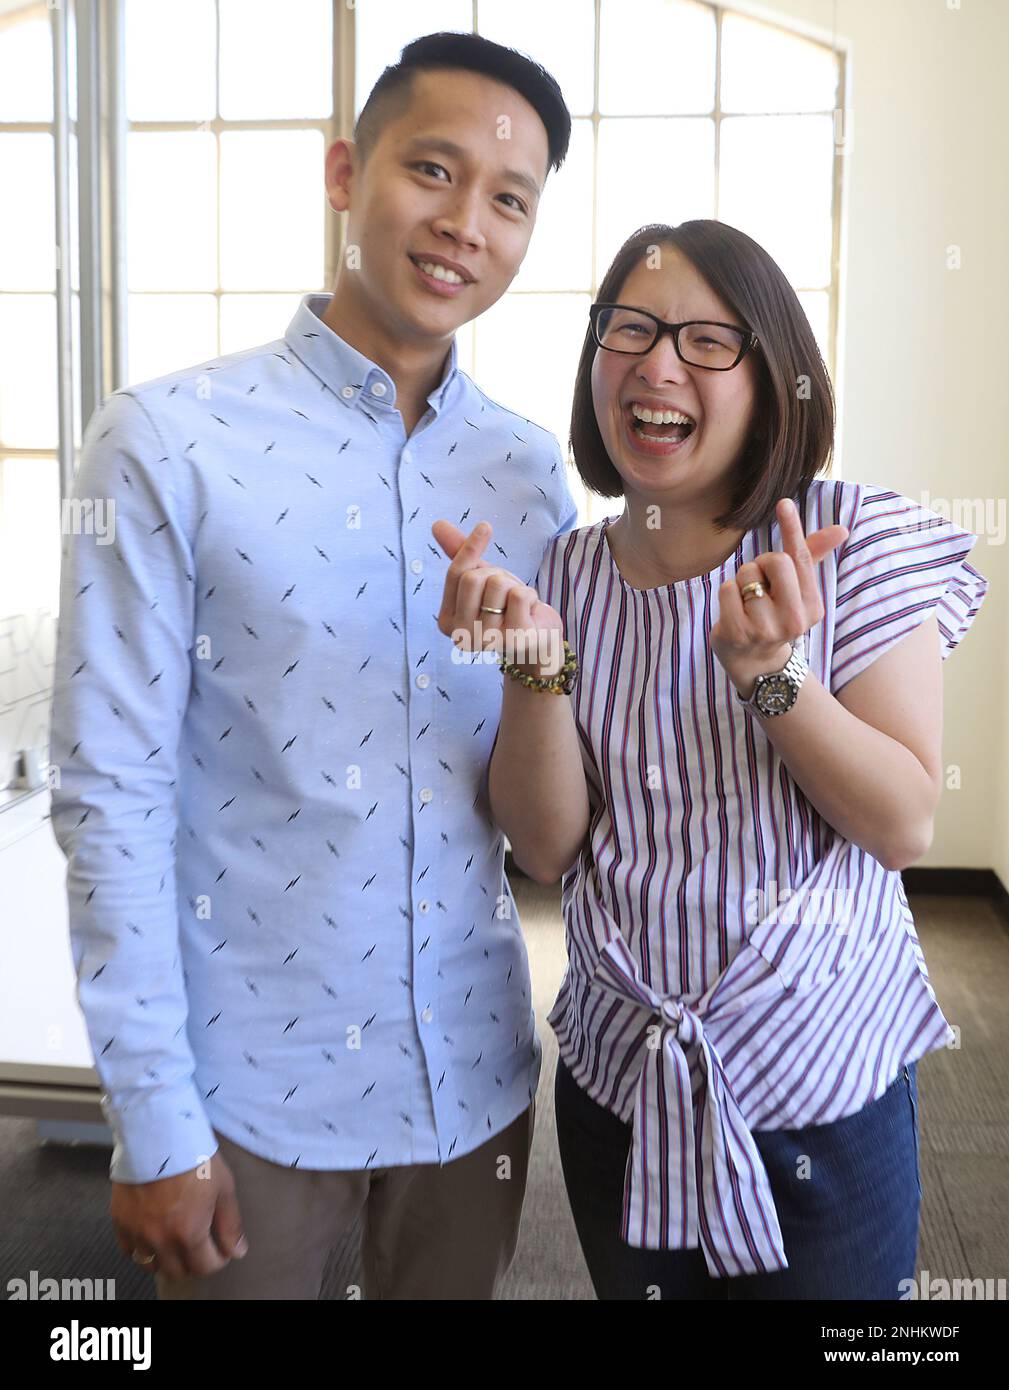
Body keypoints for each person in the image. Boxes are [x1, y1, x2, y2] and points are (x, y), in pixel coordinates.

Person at [48, 32, 577, 1300]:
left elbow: (535, 815)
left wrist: (534, 673)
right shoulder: (167, 440)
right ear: (346, 173)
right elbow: (105, 798)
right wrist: (154, 1123)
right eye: (431, 171)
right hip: (250, 1101)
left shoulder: (526, 471)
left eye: (509, 200)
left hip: (474, 1085)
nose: (465, 224)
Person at [433, 218, 990, 1299]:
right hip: (624, 1082)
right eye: (629, 329)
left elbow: (900, 820)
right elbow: (548, 846)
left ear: (775, 375)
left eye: (705, 340)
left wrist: (767, 676)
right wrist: (533, 665)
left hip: (816, 1088)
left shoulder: (850, 537)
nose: (655, 364)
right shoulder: (573, 567)